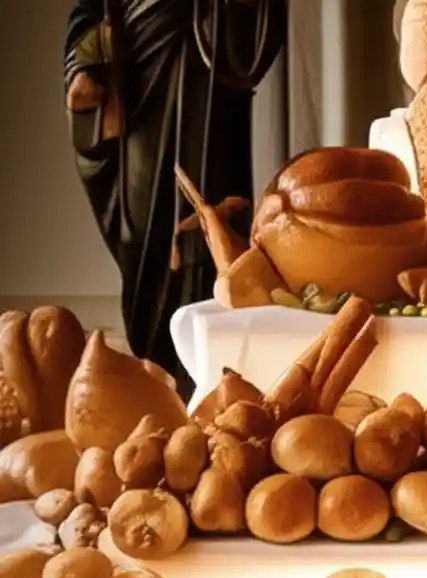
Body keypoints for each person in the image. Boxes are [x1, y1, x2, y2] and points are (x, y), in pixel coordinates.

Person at [64, 0, 286, 397]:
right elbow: (88, 11)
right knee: (143, 230)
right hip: (139, 98)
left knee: (210, 226)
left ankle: (206, 377)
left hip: (208, 93)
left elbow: (255, 35)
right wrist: (83, 65)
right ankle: (157, 367)